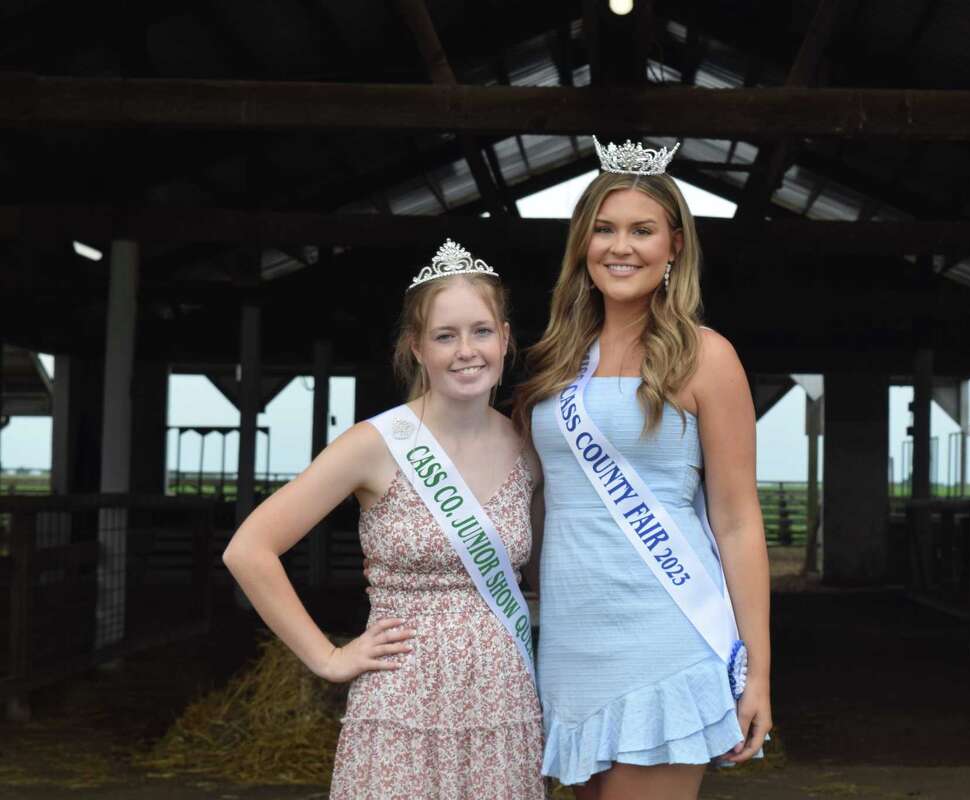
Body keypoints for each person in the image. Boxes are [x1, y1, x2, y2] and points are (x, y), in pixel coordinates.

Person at [223, 240, 544, 800]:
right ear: (417, 348)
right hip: (402, 701)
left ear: (506, 338)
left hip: (502, 702)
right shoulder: (374, 444)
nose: (466, 350)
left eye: (481, 331)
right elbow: (249, 550)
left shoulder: (528, 448)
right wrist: (327, 656)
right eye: (445, 336)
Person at [512, 138, 772, 799]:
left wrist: (758, 675)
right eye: (603, 229)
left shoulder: (706, 358)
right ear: (582, 243)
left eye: (641, 230)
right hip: (572, 639)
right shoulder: (553, 362)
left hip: (664, 632)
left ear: (675, 246)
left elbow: (739, 521)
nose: (619, 247)